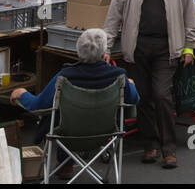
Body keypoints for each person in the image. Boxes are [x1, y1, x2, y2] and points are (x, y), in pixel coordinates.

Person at [103, 0, 195, 169]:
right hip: (137, 49)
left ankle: (169, 149)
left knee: (162, 95)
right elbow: (113, 17)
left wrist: (189, 46)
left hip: (167, 48)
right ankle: (150, 145)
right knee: (143, 96)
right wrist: (105, 46)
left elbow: (190, 14)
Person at [10, 28, 138, 144]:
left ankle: (65, 163)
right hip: (107, 133)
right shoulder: (118, 76)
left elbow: (38, 106)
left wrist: (22, 94)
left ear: (78, 51)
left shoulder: (64, 77)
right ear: (104, 52)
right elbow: (134, 99)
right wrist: (130, 84)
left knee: (59, 113)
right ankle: (66, 163)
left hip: (68, 134)